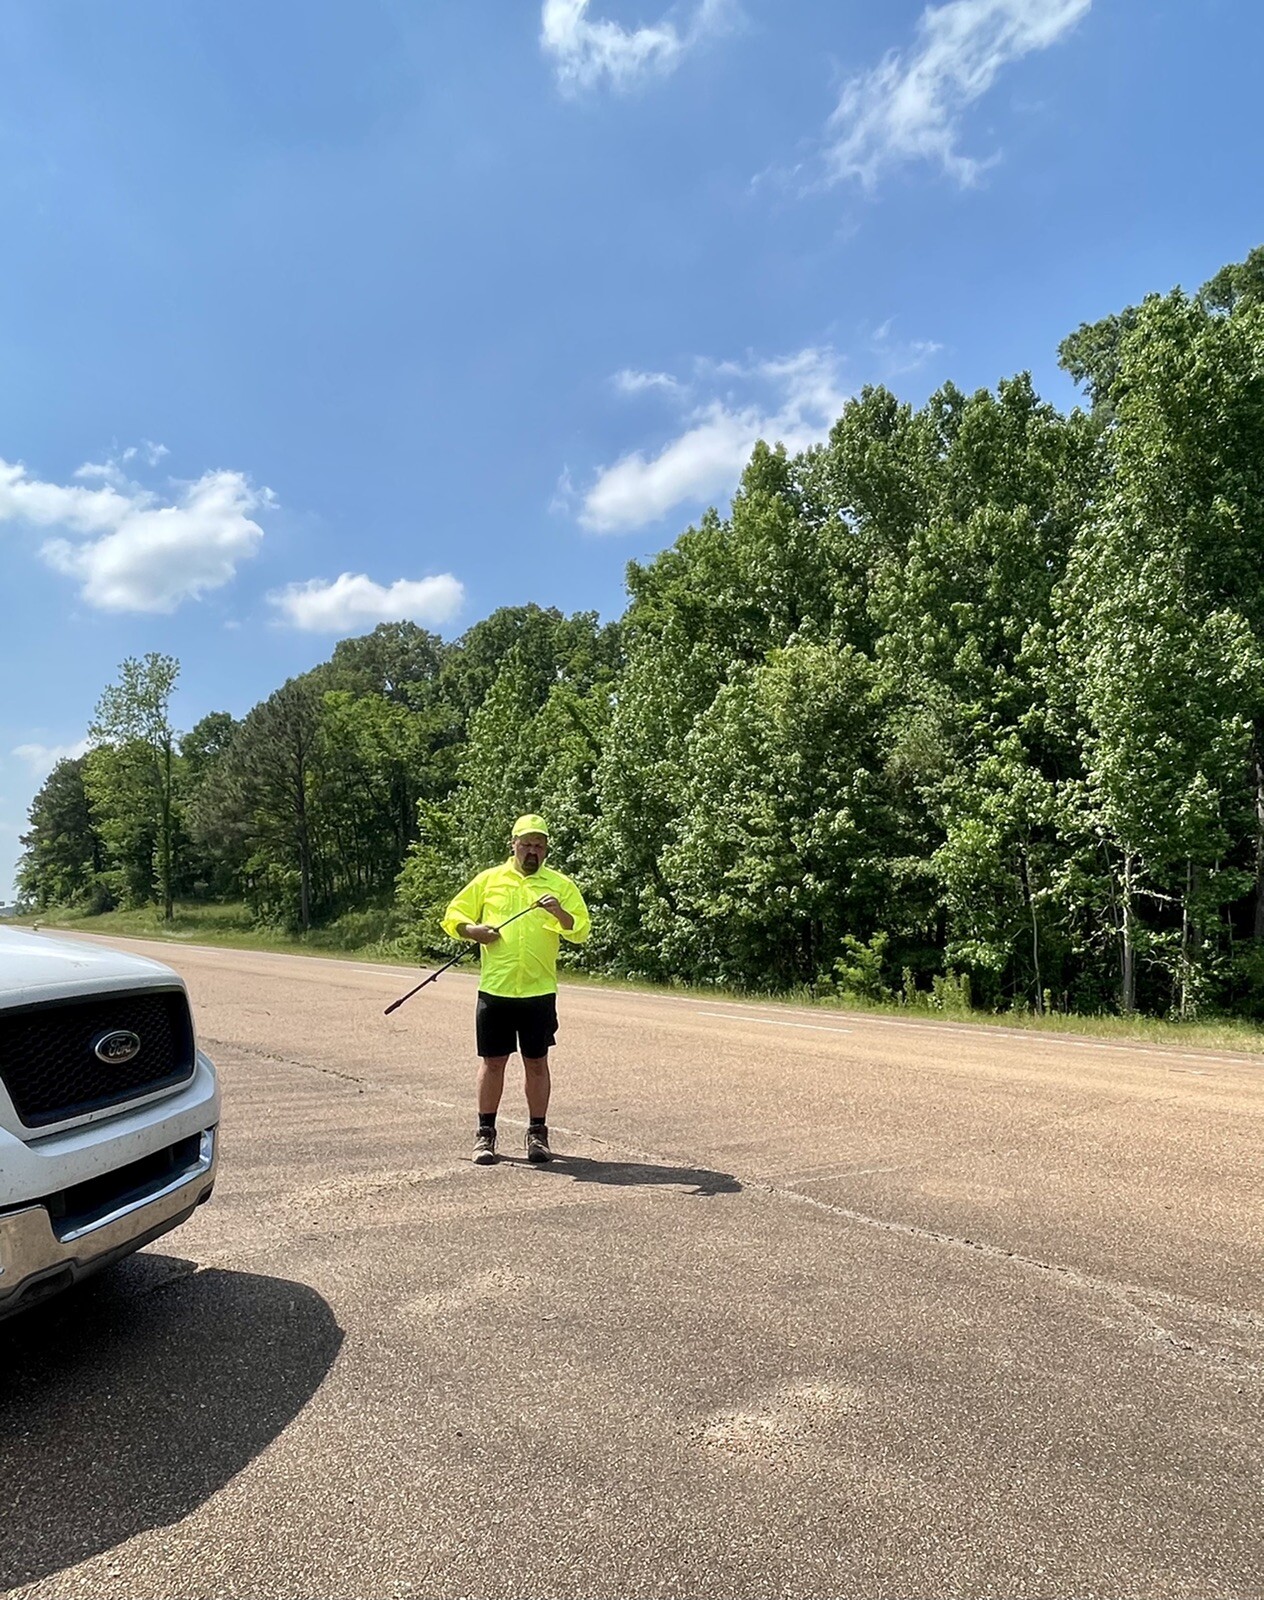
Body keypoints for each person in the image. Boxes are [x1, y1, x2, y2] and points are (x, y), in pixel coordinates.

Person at [442, 814, 591, 1165]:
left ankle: (537, 1134)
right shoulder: (490, 880)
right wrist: (472, 930)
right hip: (496, 989)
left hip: (538, 991)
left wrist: (560, 914)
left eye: (539, 845)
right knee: (493, 1063)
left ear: (546, 849)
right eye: (526, 844)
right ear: (513, 844)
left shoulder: (560, 885)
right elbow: (453, 915)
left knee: (536, 1063)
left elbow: (581, 929)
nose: (532, 851)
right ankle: (485, 1135)